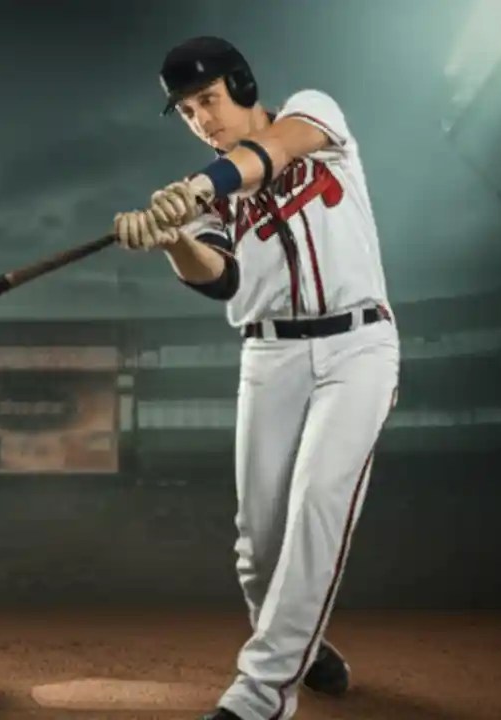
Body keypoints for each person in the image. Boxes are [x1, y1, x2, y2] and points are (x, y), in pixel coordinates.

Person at [112, 37, 400, 720]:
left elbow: (274, 150)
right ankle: (301, 641)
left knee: (317, 503)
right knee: (258, 545)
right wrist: (173, 238)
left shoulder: (311, 113)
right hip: (270, 357)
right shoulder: (208, 198)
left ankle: (263, 691)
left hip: (357, 346)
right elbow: (221, 279)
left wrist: (200, 185)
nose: (201, 120)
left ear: (241, 85)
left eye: (208, 100)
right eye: (187, 112)